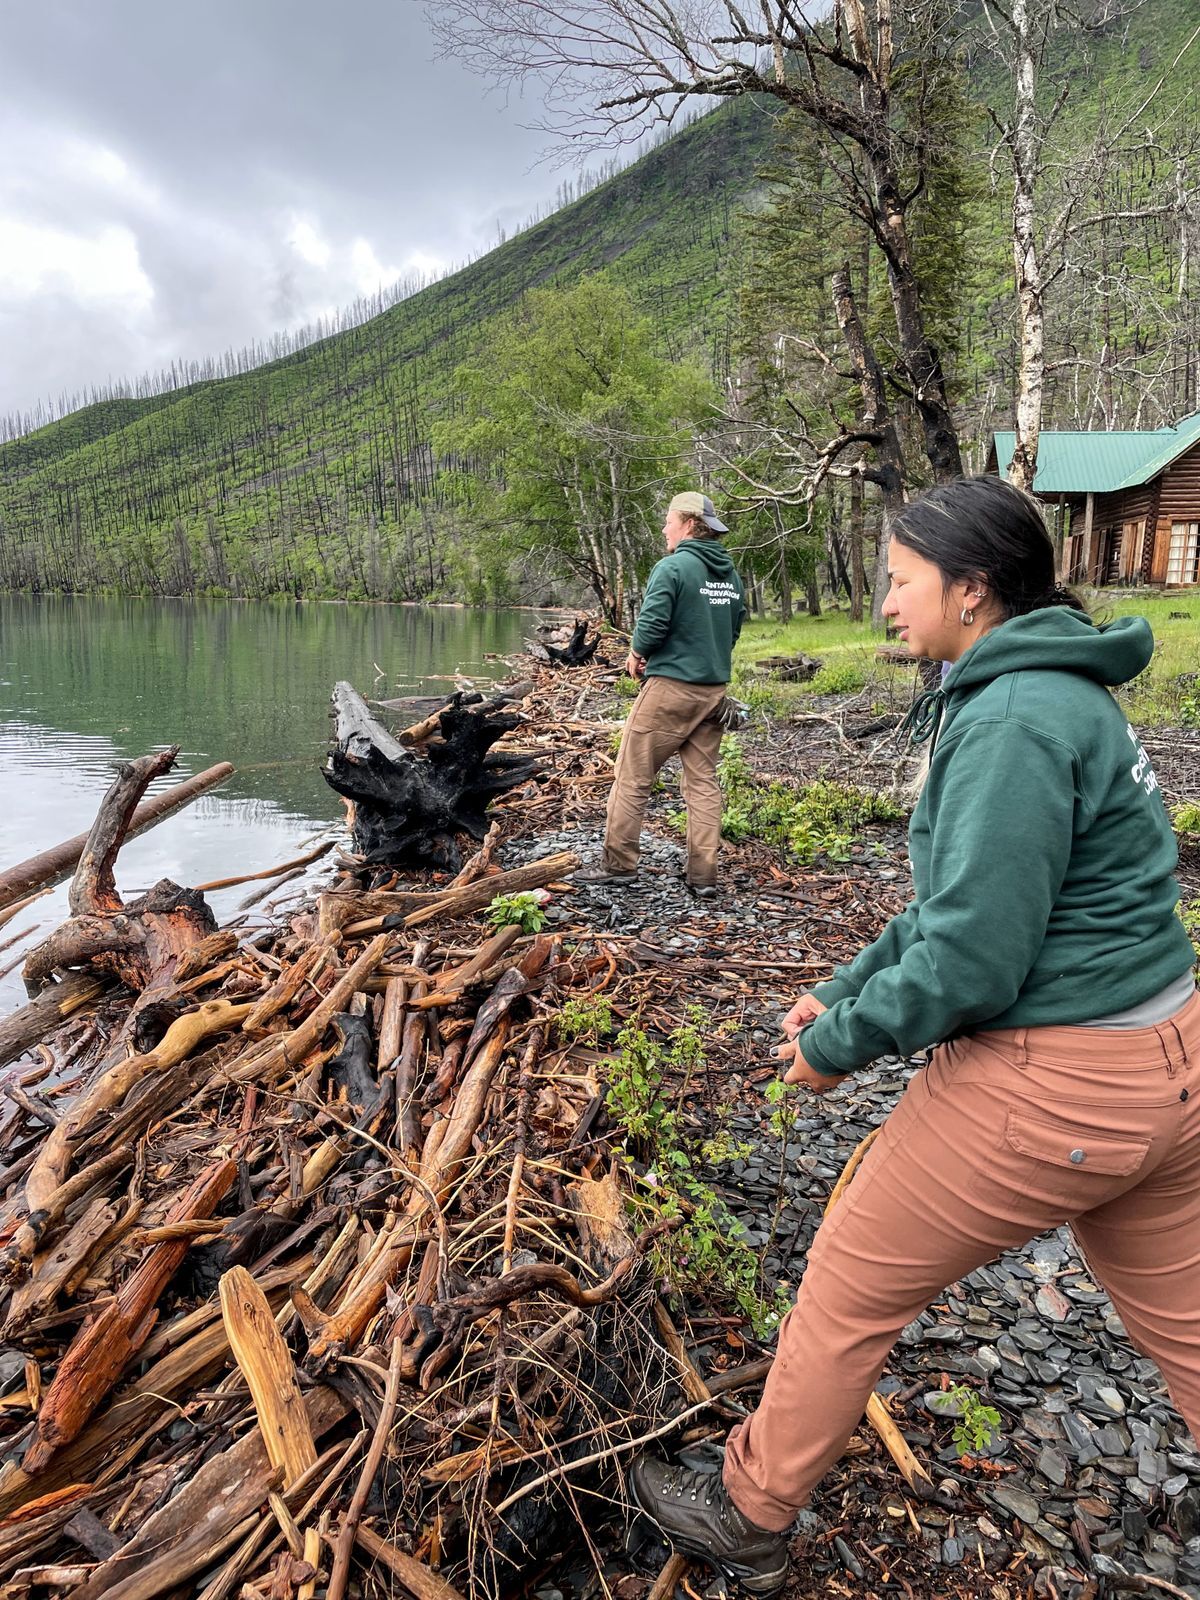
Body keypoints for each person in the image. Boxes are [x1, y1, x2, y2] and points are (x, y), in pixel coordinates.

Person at [629, 475, 1200, 1597]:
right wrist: (842, 987)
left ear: (972, 588)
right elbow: (960, 906)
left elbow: (976, 958)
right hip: (1170, 1064)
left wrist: (840, 1044)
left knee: (847, 1276)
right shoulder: (1063, 691)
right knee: (1189, 1318)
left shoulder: (1014, 720)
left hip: (1056, 1085)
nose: (886, 601)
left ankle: (747, 1511)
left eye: (900, 580)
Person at [580, 491, 746, 897]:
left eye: (668, 521)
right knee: (703, 783)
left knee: (632, 776)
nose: (664, 528)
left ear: (689, 524)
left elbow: (652, 625)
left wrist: (636, 653)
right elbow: (734, 629)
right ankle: (703, 877)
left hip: (671, 688)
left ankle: (618, 865)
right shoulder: (730, 575)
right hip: (713, 691)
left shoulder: (672, 568)